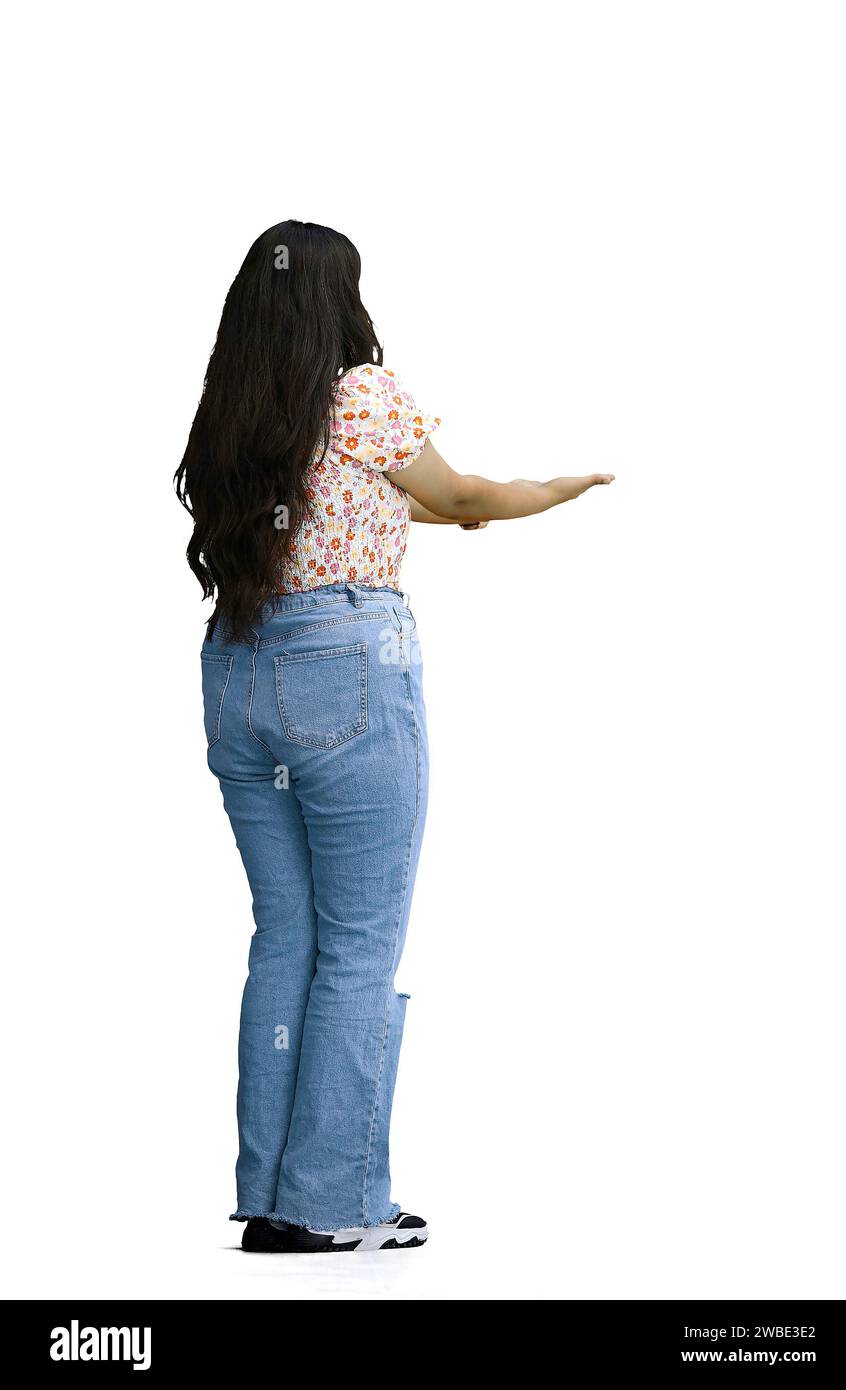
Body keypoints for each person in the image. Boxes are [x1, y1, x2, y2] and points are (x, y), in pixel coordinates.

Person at [175, 220, 614, 1253]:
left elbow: (335, 505)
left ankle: (274, 1197)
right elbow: (459, 491)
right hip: (343, 672)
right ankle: (333, 1201)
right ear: (337, 296)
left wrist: (434, 513)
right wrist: (548, 492)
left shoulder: (236, 412)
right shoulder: (363, 391)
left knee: (287, 936)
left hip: (238, 673)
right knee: (359, 946)